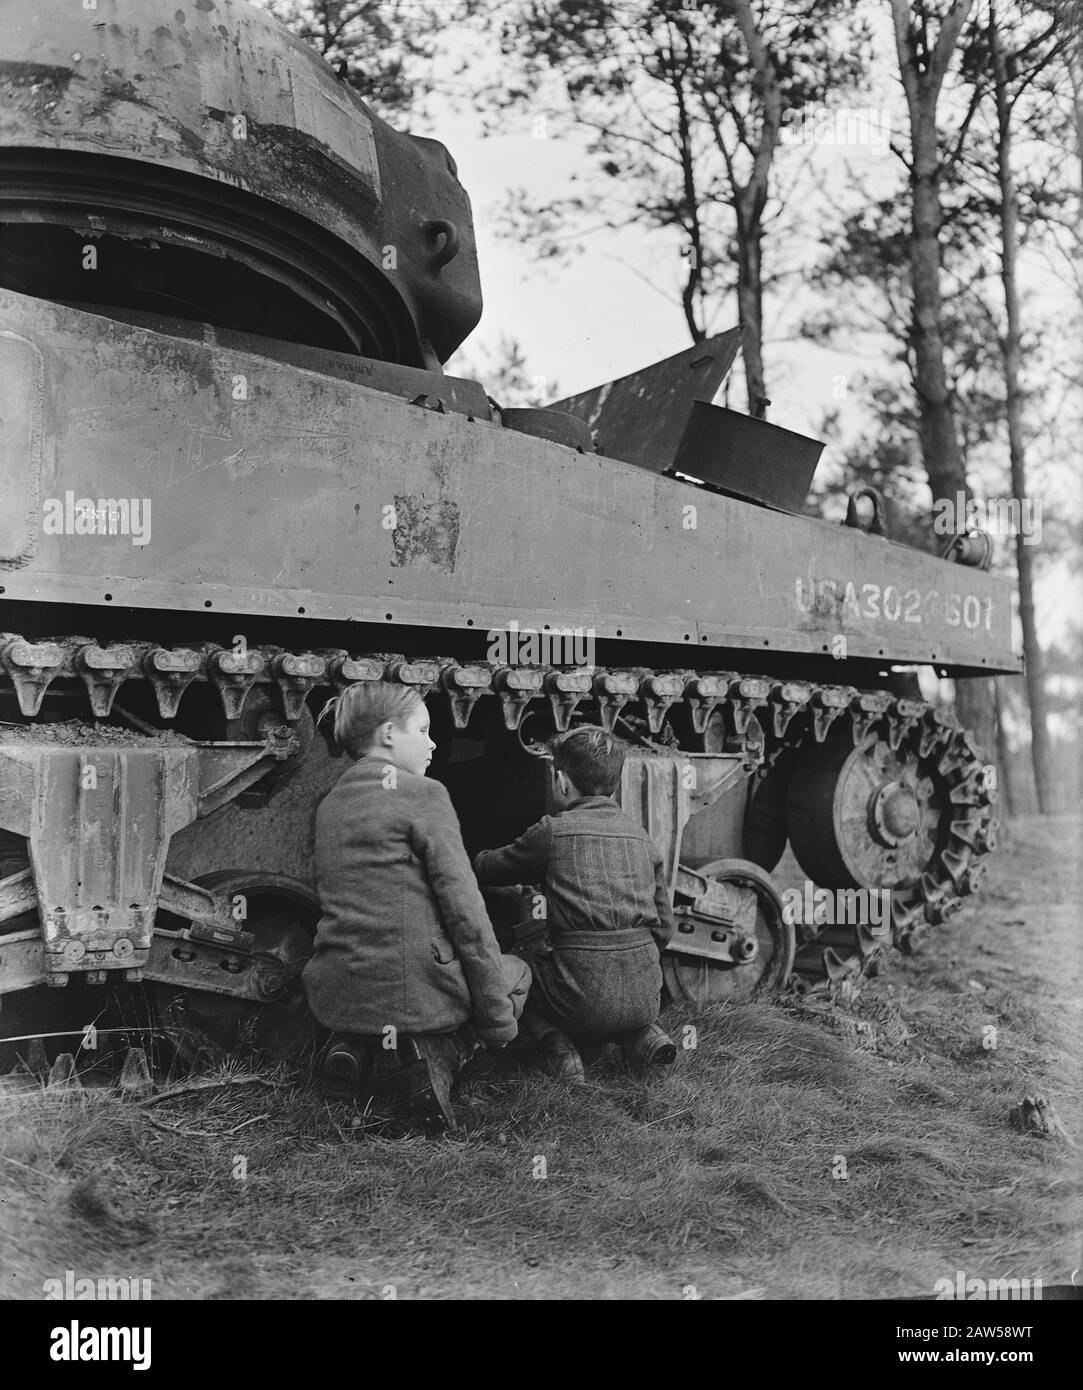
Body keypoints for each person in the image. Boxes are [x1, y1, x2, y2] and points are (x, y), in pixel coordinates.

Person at [302, 682, 530, 1128]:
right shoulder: (424, 795)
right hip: (418, 993)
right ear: (389, 734)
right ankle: (437, 1054)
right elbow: (467, 916)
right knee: (518, 971)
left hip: (339, 992)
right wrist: (496, 1021)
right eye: (423, 730)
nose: (433, 743)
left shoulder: (328, 804)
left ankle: (354, 1048)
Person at [473, 725, 677, 1080]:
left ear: (562, 782)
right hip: (647, 995)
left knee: (520, 969)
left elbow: (490, 868)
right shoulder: (641, 837)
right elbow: (664, 927)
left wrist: (471, 853)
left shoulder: (553, 830)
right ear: (614, 781)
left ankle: (557, 1050)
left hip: (577, 1001)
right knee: (611, 989)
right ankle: (643, 1034)